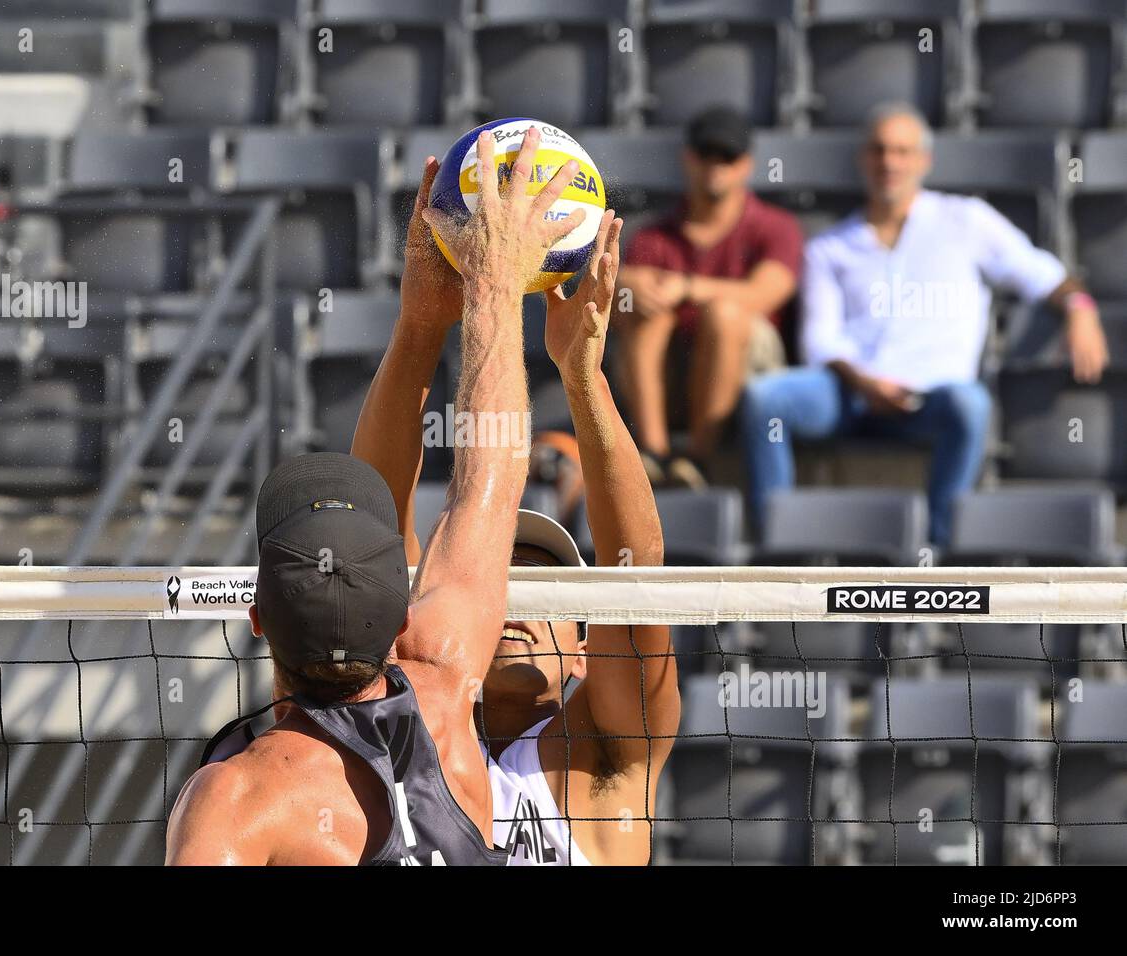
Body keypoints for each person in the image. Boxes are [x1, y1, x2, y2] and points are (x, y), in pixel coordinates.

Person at [165, 127, 585, 865]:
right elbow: (490, 480)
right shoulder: (447, 699)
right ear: (401, 618)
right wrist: (491, 289)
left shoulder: (233, 801)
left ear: (258, 619)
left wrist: (420, 323)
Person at [353, 138, 681, 865]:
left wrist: (584, 378)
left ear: (585, 652)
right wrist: (418, 329)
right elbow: (371, 523)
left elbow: (637, 568)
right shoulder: (407, 724)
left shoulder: (607, 762)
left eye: (539, 585)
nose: (517, 607)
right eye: (501, 583)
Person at [740, 102, 1110, 545]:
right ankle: (774, 541)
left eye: (902, 151)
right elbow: (820, 339)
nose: (889, 163)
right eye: (879, 150)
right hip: (849, 393)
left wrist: (1081, 308)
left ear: (923, 161)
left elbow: (1042, 274)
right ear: (863, 159)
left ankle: (939, 549)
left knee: (971, 405)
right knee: (765, 399)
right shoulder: (829, 247)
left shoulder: (967, 221)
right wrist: (865, 383)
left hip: (931, 397)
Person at [617, 106, 803, 488]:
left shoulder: (776, 227)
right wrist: (623, 284)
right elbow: (609, 305)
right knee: (641, 307)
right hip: (676, 372)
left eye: (728, 157)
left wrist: (687, 288)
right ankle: (654, 453)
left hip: (750, 374)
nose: (716, 166)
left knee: (725, 314)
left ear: (747, 165)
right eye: (706, 154)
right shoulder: (655, 236)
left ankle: (700, 459)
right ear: (689, 158)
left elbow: (766, 294)